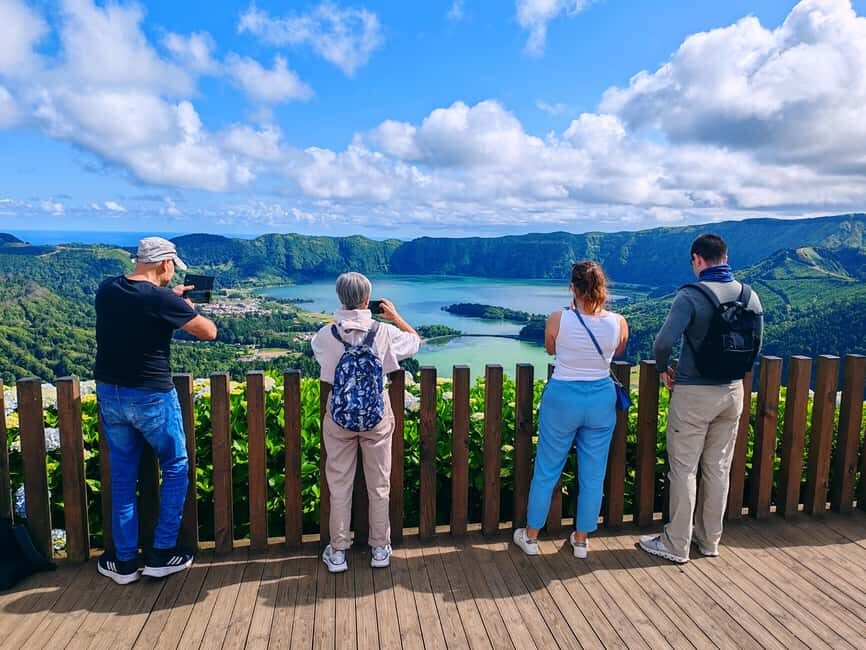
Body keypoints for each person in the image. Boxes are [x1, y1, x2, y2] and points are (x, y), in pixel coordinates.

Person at [94, 237, 217, 584]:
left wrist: (169, 299)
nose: (172, 272)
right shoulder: (160, 299)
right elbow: (208, 332)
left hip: (110, 392)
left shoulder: (108, 289)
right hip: (151, 395)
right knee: (175, 468)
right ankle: (162, 553)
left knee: (122, 476)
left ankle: (124, 562)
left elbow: (137, 305)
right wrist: (183, 306)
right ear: (165, 264)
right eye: (172, 266)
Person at [639, 233, 763, 563]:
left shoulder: (691, 295)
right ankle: (709, 542)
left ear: (697, 259)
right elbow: (757, 345)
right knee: (718, 468)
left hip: (694, 393)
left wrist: (664, 370)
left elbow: (663, 343)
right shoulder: (751, 296)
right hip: (732, 392)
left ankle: (676, 544)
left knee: (684, 469)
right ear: (726, 256)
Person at [513, 261, 628, 559]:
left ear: (573, 288)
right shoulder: (619, 321)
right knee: (593, 472)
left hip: (563, 396)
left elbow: (551, 350)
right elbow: (616, 351)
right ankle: (580, 540)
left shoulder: (557, 319)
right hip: (601, 398)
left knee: (548, 468)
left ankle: (532, 536)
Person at [311, 272, 420, 573]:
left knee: (339, 485)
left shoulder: (326, 335)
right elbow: (415, 342)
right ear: (367, 300)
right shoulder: (383, 333)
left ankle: (337, 552)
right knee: (379, 483)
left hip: (339, 417)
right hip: (376, 417)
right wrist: (396, 316)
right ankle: (379, 548)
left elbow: (319, 356)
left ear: (339, 298)